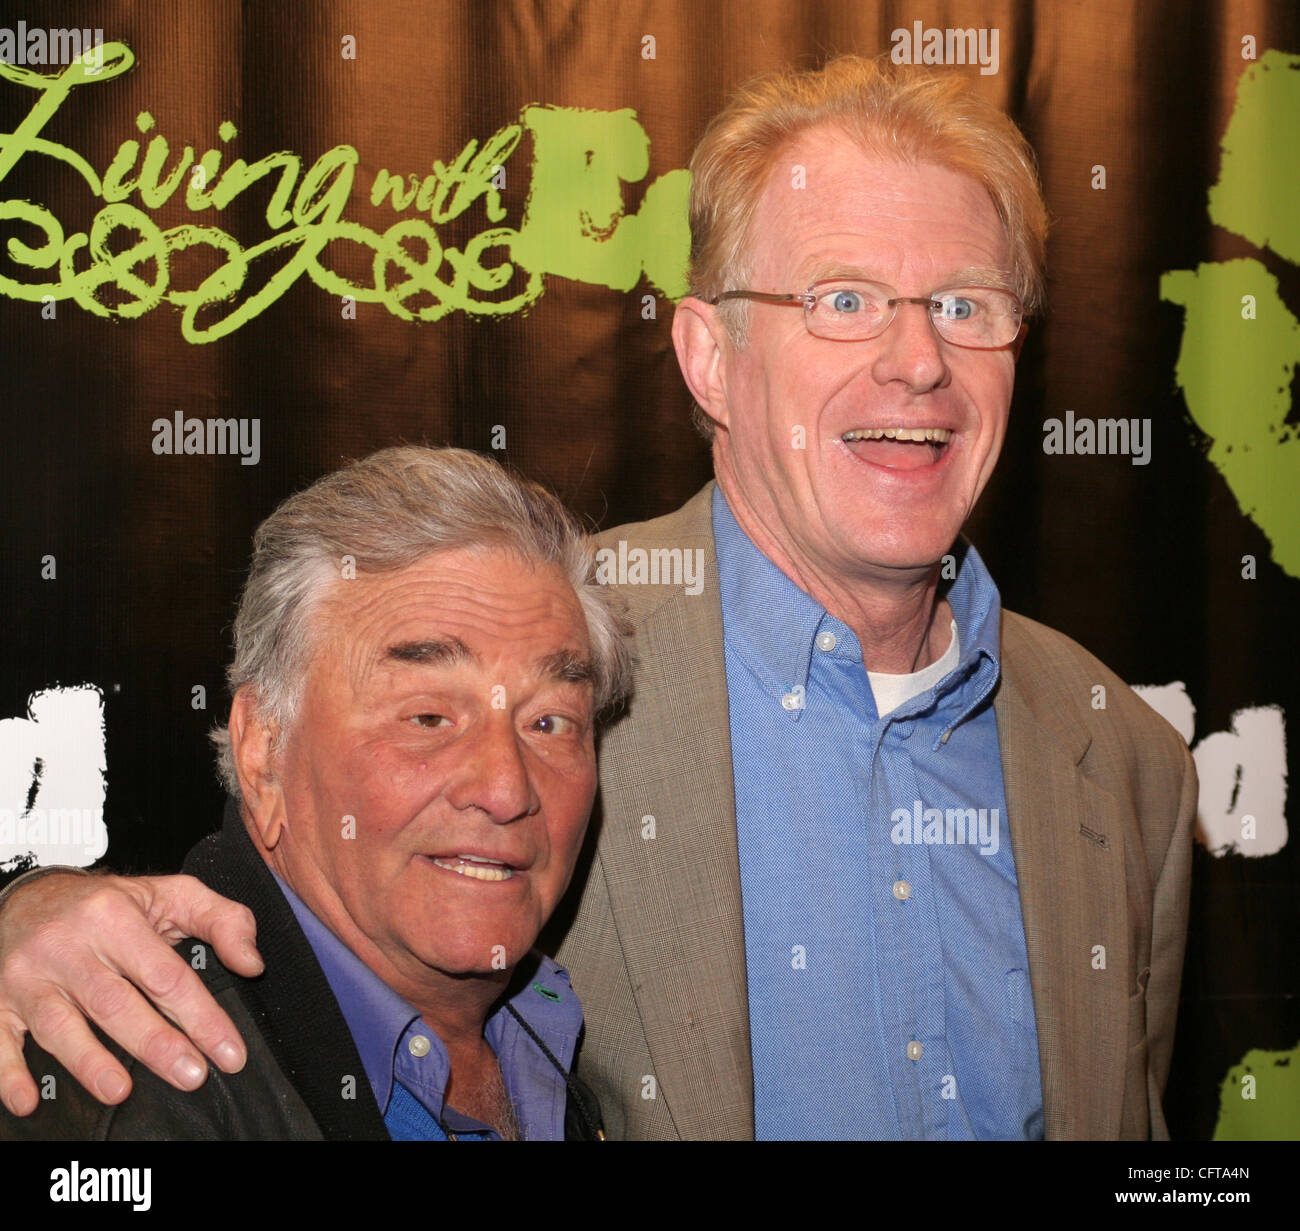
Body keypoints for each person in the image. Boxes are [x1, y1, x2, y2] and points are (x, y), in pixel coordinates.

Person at [0, 56, 1195, 1140]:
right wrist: (28, 918)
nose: (917, 359)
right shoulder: (549, 652)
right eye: (841, 300)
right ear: (709, 359)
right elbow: (274, 878)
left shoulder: (1123, 754)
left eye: (964, 306)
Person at [0, 445, 630, 1139]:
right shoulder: (113, 1085)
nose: (507, 788)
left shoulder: (558, 1040)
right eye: (427, 717)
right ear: (263, 753)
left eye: (549, 721)